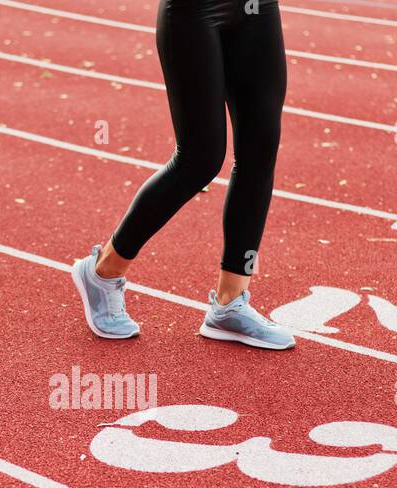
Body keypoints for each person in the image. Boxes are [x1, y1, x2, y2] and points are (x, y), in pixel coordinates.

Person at [72, 0, 295, 350]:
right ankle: (103, 272)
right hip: (194, 11)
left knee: (260, 150)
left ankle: (229, 302)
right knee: (200, 159)